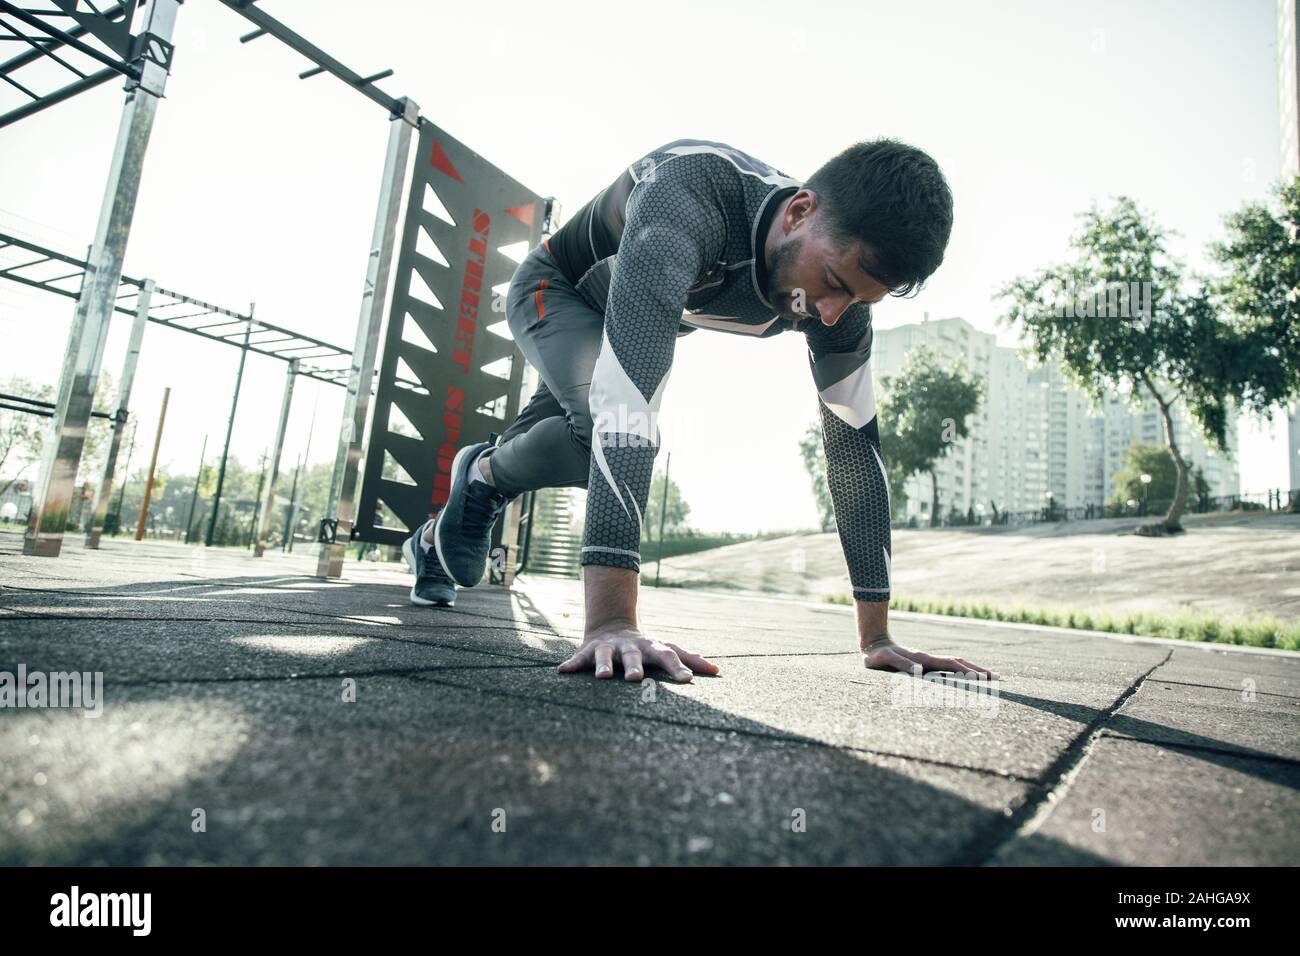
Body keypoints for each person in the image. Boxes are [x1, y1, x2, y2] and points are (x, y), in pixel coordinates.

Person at [402, 138, 998, 685]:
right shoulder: (689, 198)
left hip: (618, 334)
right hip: (558, 294)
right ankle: (481, 478)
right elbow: (628, 406)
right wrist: (612, 622)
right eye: (834, 282)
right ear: (799, 212)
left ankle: (432, 540)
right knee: (602, 436)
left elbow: (854, 451)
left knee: (587, 434)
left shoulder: (839, 296)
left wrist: (878, 636)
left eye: (858, 300)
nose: (832, 313)